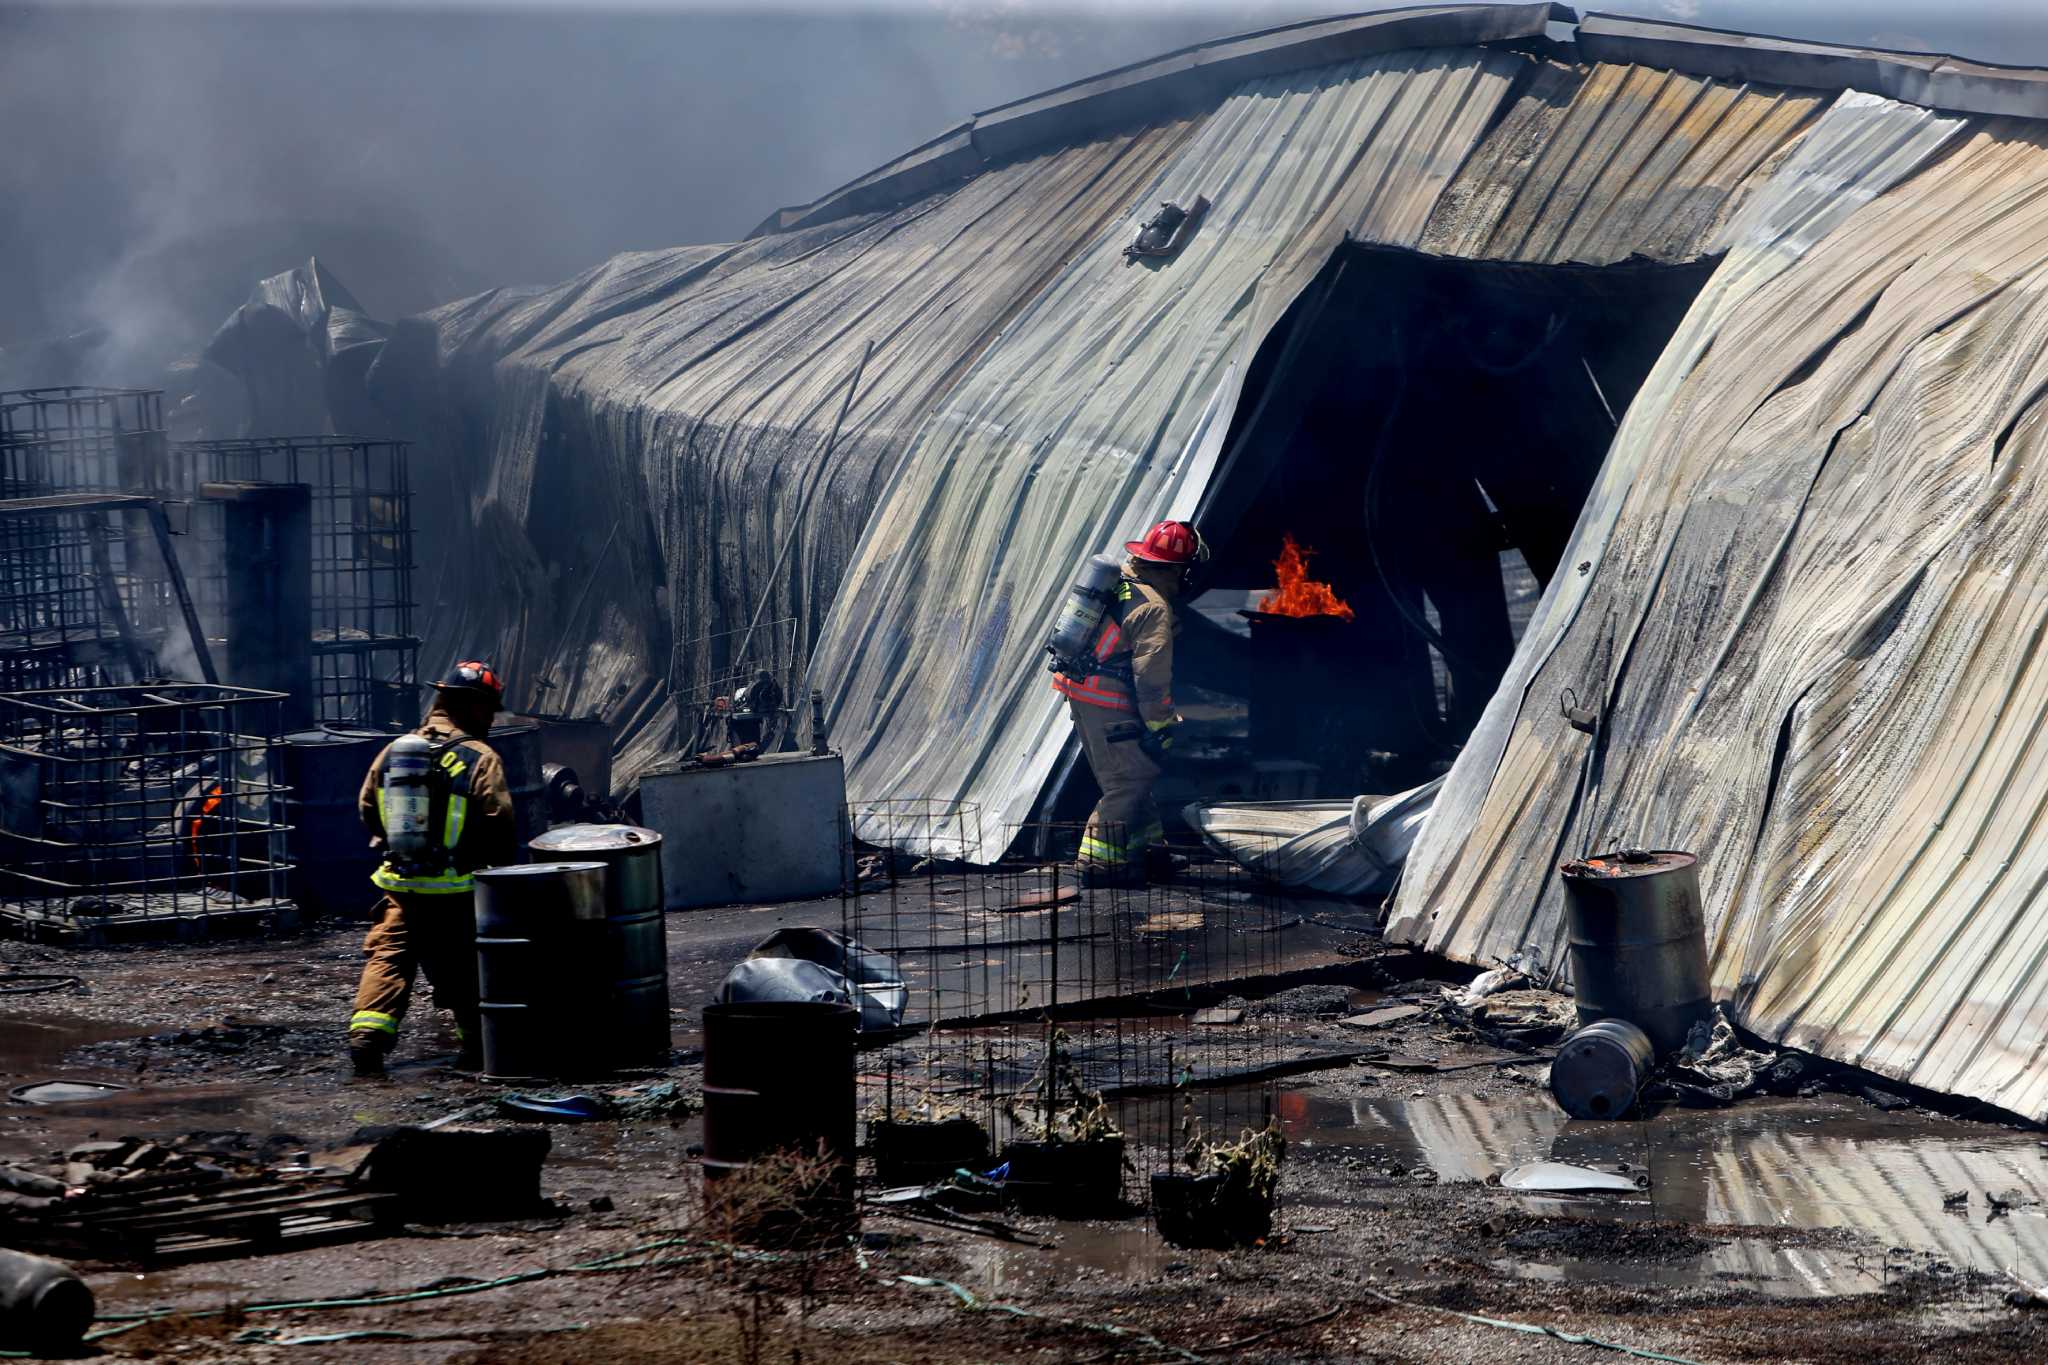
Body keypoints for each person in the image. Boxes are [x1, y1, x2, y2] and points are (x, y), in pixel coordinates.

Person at [346, 661, 517, 1077]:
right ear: (470, 705)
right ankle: (478, 1043)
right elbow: (499, 819)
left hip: (401, 886)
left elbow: (367, 806)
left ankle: (368, 1037)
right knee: (464, 966)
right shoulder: (480, 757)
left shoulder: (397, 750)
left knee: (389, 957)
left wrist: (396, 841)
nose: (491, 719)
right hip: (456, 890)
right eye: (489, 709)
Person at [1053, 520, 1207, 887]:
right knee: (1128, 781)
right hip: (1108, 700)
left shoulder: (1121, 583)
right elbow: (1151, 680)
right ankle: (1097, 863)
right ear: (1177, 570)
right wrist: (1162, 723)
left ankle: (1148, 850)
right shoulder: (1154, 608)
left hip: (1083, 692)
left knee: (1138, 772)